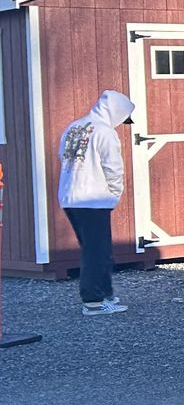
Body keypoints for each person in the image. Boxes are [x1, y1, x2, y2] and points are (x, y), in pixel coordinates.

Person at [57, 90, 135, 316]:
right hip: (92, 197)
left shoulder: (74, 126)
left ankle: (106, 294)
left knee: (93, 248)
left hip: (69, 196)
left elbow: (62, 156)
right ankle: (93, 301)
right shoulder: (105, 132)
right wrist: (114, 195)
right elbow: (113, 168)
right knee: (97, 252)